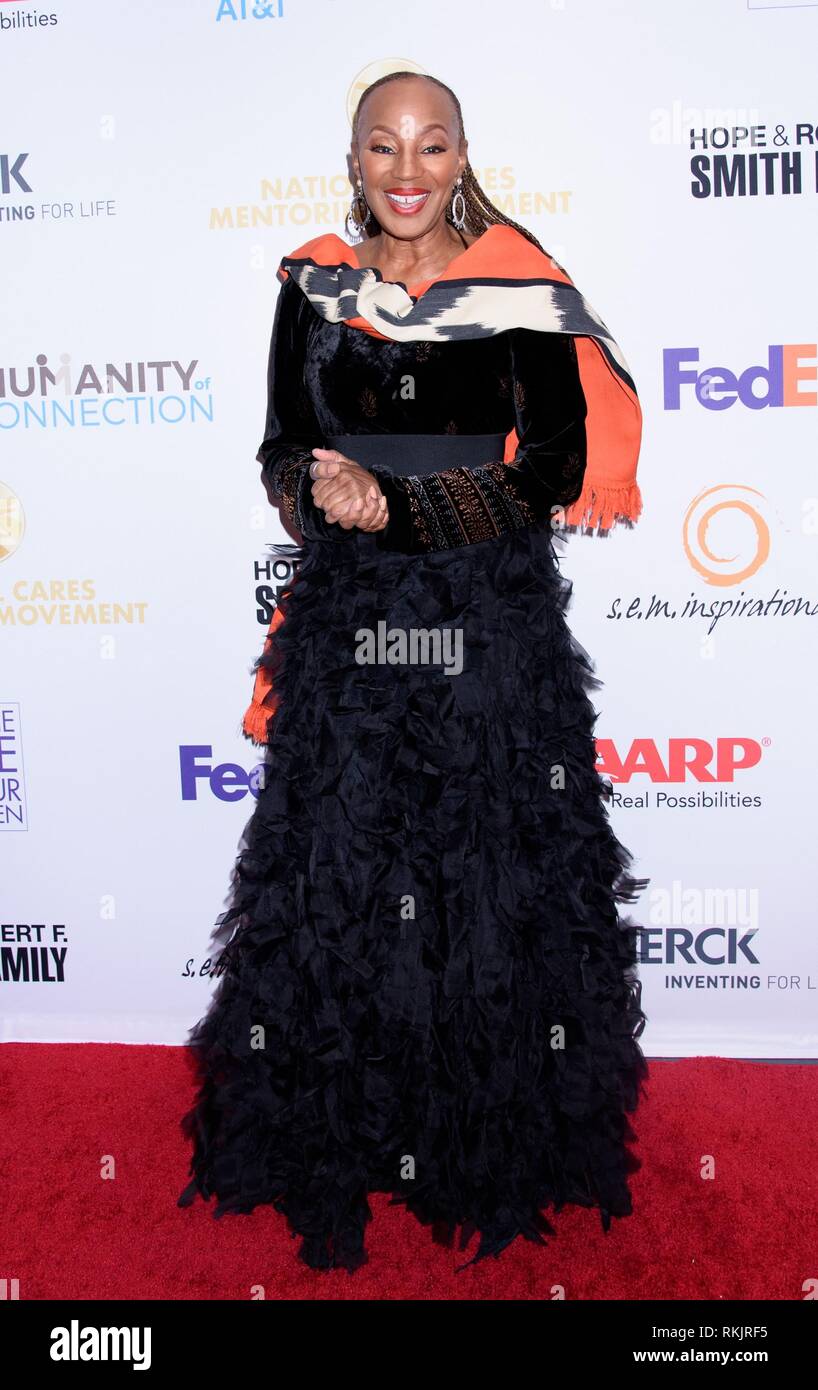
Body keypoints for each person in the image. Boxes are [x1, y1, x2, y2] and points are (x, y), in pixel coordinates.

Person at [178, 70, 650, 1274]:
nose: (404, 169)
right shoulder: (313, 287)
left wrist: (398, 505)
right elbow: (283, 445)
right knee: (344, 861)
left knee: (481, 866)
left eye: (428, 145)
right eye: (381, 146)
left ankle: (482, 1137)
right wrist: (313, 491)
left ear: (459, 157)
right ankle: (343, 1126)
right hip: (348, 620)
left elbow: (548, 468)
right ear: (352, 158)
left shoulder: (516, 287)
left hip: (485, 614)